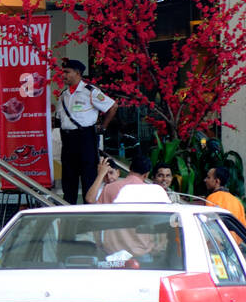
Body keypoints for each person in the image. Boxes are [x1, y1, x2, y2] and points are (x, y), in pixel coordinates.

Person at [55, 59, 116, 204]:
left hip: (85, 137)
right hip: (68, 139)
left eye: (67, 72)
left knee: (88, 177)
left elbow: (112, 107)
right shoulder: (64, 95)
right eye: (63, 72)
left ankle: (89, 211)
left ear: (77, 73)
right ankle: (69, 210)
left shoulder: (90, 91)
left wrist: (104, 126)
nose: (64, 75)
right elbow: (59, 118)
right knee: (69, 179)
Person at [95, 154, 170, 203]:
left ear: (129, 167)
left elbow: (93, 205)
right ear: (146, 175)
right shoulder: (155, 192)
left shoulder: (109, 188)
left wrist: (100, 174)